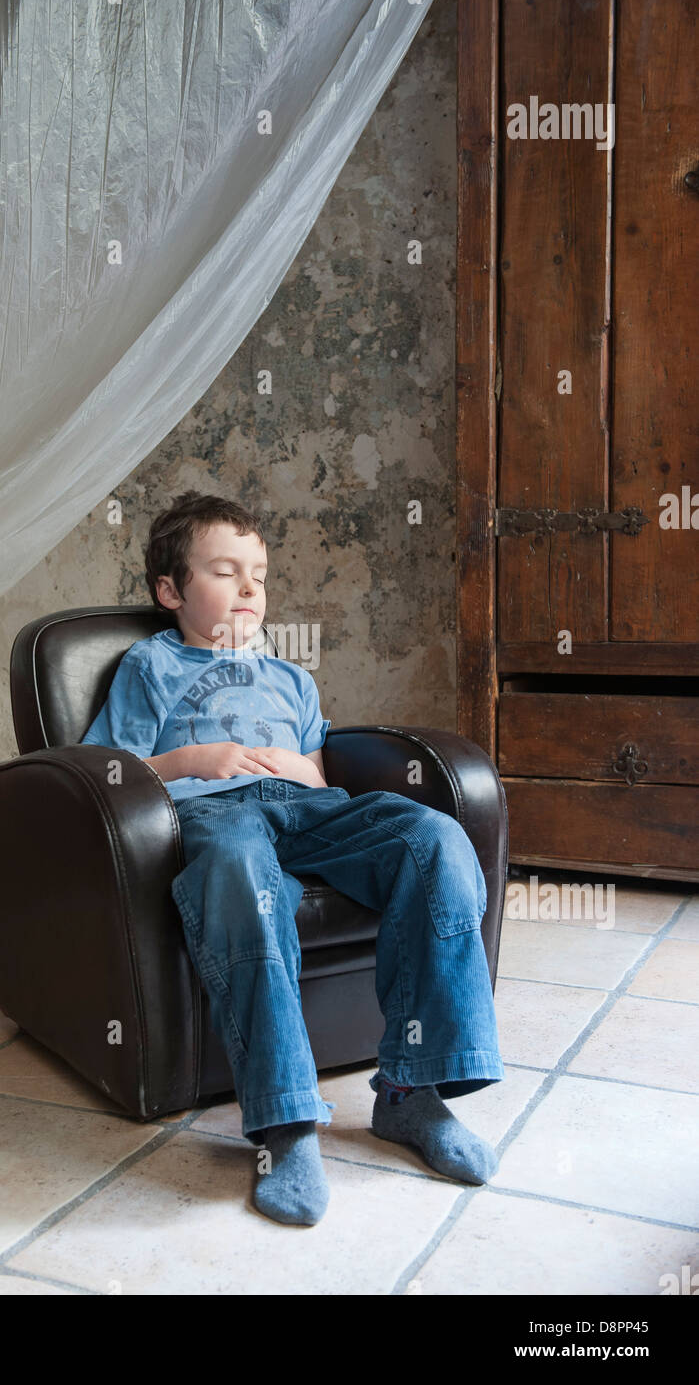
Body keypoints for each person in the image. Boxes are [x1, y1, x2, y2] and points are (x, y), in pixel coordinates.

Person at [81, 489, 504, 1226]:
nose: (250, 588)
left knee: (434, 840)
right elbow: (103, 769)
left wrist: (303, 769)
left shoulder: (289, 677)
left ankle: (412, 1094)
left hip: (307, 809)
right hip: (212, 817)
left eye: (260, 573)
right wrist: (191, 758)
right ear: (170, 591)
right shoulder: (150, 665)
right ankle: (284, 1123)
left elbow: (319, 769)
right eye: (225, 571)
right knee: (242, 874)